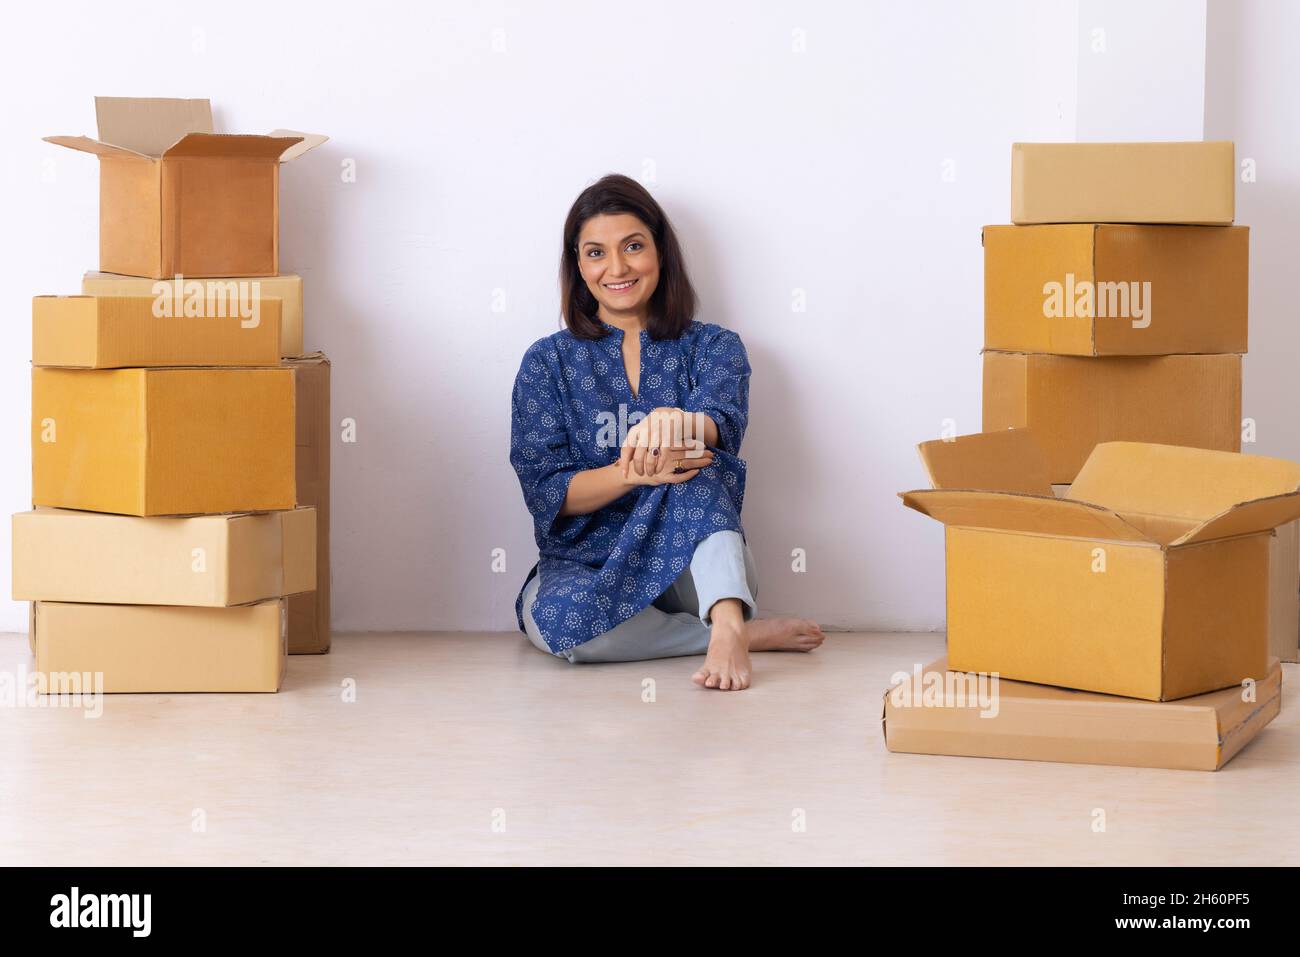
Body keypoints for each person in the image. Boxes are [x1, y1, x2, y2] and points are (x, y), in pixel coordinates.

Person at [509, 174, 823, 691]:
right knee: (565, 629)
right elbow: (548, 492)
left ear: (660, 251)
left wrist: (676, 424)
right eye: (595, 253)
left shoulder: (714, 346)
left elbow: (721, 423)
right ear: (578, 265)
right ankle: (739, 632)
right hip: (589, 561)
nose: (617, 268)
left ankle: (725, 621)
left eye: (633, 246)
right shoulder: (548, 362)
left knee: (698, 463)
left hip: (694, 565)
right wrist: (630, 471)